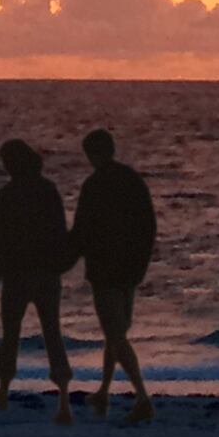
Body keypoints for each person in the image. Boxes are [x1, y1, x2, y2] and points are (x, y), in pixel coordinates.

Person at [0, 138, 77, 421]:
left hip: (18, 275)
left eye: (7, 162)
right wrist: (61, 265)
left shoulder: (8, 194)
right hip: (46, 275)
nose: (5, 167)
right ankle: (63, 404)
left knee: (11, 335)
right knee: (52, 335)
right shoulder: (48, 190)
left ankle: (3, 392)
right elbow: (60, 232)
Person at [67, 127, 156, 421]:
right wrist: (142, 263)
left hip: (105, 269)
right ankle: (103, 392)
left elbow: (81, 231)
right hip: (131, 268)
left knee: (115, 334)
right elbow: (148, 224)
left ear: (93, 154)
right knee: (115, 333)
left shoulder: (94, 185)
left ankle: (142, 396)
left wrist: (62, 259)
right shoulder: (133, 180)